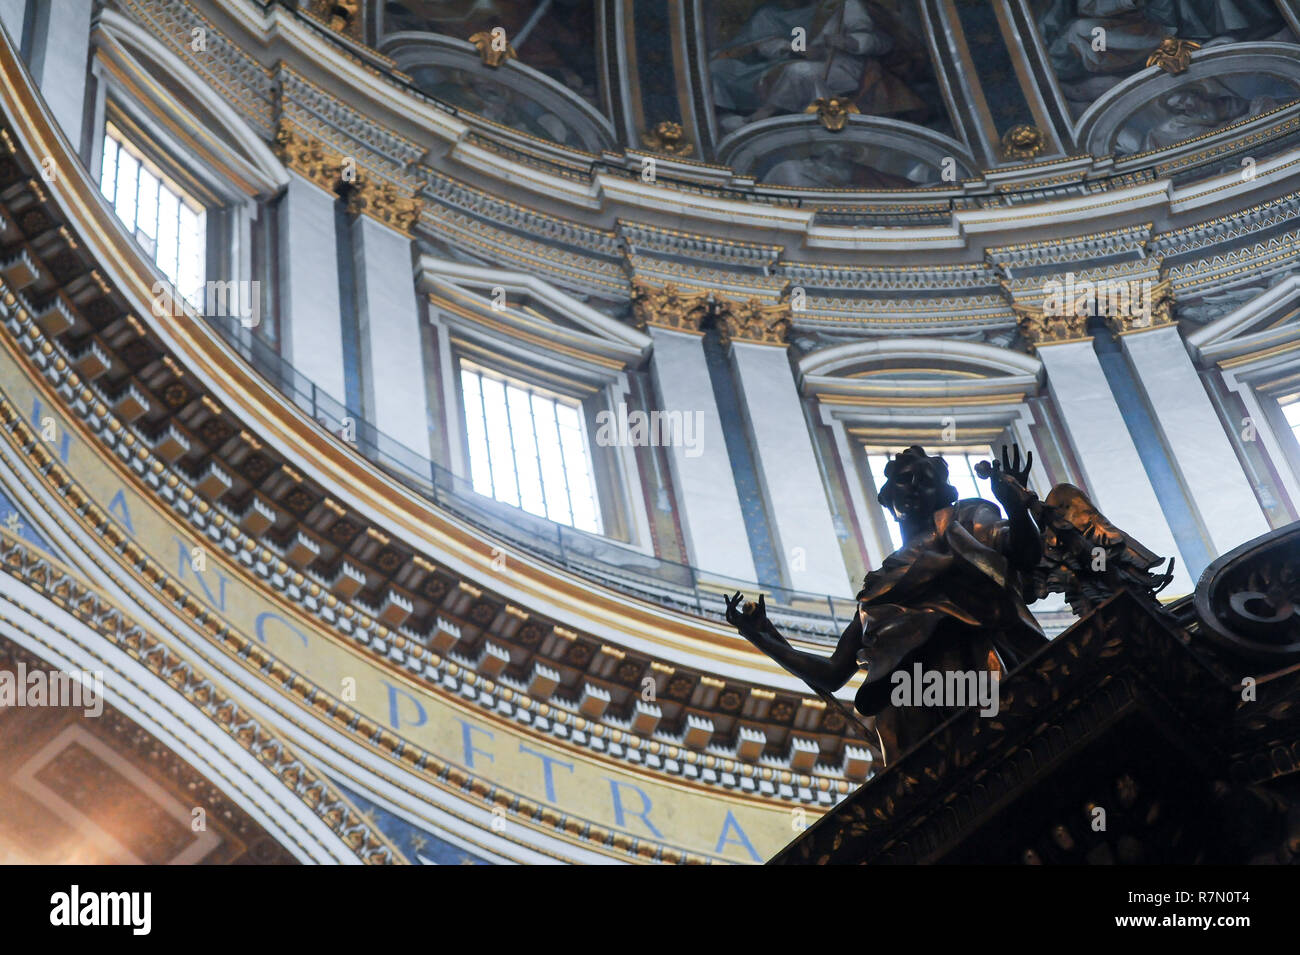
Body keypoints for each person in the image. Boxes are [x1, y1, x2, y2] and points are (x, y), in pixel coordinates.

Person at [726, 445, 1049, 763]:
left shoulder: (967, 520)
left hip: (970, 671)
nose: (913, 487)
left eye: (925, 480)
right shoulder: (877, 587)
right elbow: (831, 674)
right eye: (904, 479)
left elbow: (1023, 555)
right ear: (886, 498)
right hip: (907, 705)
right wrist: (761, 637)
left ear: (943, 492)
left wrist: (1014, 506)